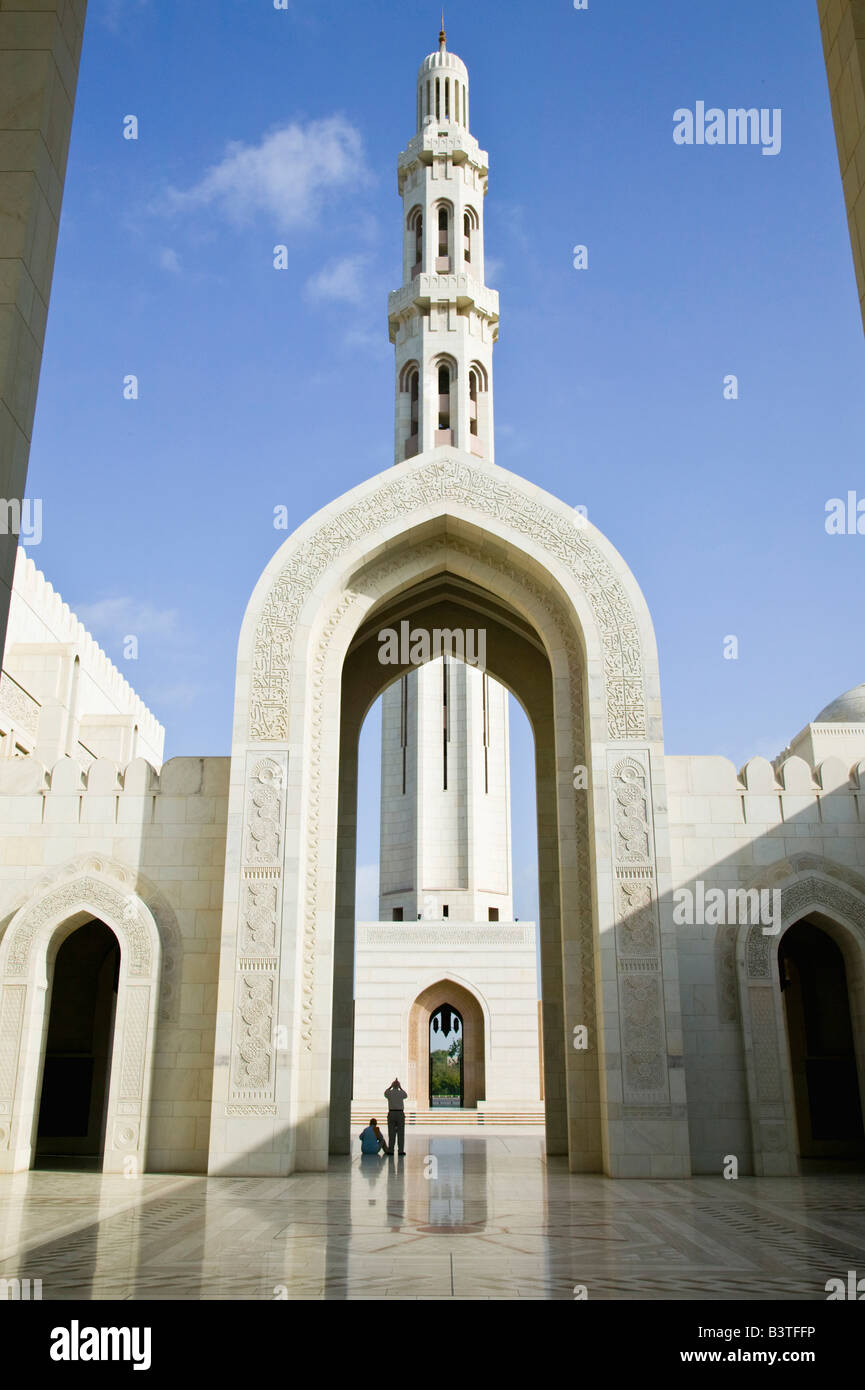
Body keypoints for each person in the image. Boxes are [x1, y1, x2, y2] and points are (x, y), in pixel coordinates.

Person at [384, 1076, 407, 1155]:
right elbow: (405, 1095)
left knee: (391, 1133)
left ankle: (391, 1150)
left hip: (392, 1113)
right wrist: (400, 1087)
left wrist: (391, 1086)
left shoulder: (389, 1093)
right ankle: (400, 1150)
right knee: (401, 1133)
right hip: (400, 1113)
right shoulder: (401, 1093)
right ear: (398, 1086)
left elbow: (385, 1093)